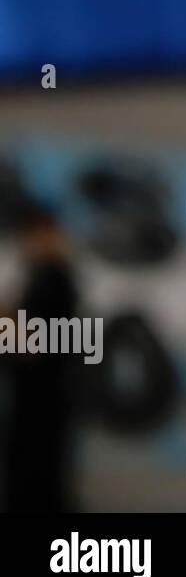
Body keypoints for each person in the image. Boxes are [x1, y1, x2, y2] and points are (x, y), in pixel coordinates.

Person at [2, 202, 81, 513]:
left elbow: (33, 347)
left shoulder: (54, 281)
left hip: (42, 402)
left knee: (36, 485)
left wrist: (6, 320)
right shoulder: (44, 278)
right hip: (37, 401)